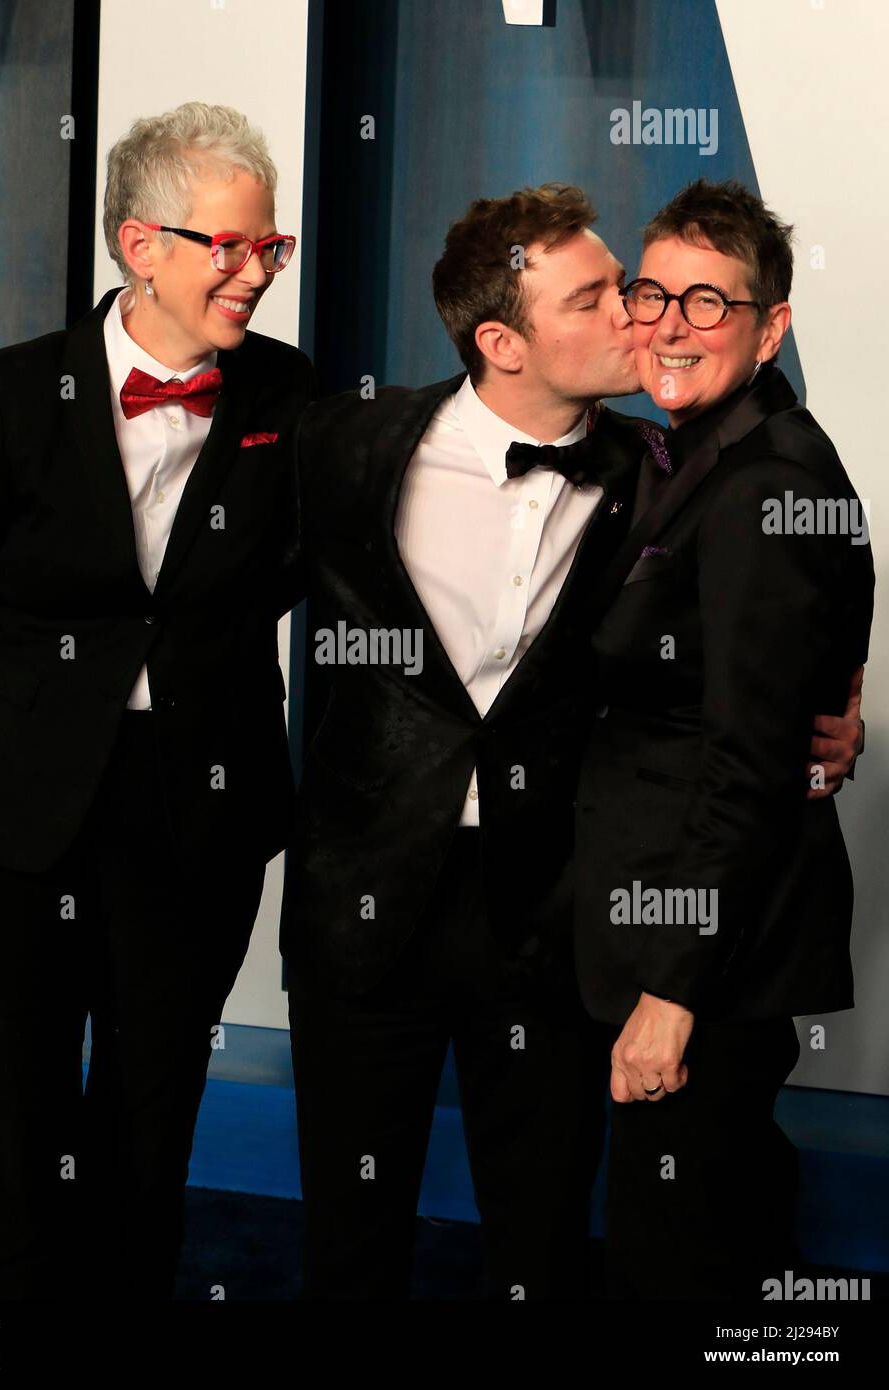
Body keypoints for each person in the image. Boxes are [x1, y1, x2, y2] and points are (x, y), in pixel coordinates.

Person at [279, 183, 863, 1299]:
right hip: (364, 902)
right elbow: (211, 588)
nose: (638, 320)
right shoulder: (344, 445)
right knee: (347, 1244)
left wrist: (832, 717)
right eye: (604, 297)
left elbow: (756, 648)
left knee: (542, 1240)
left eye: (634, 290)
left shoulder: (661, 467)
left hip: (553, 912)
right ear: (501, 340)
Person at [0, 100, 315, 1299]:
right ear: (137, 243)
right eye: (226, 245)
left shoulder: (291, 399)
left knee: (147, 1140)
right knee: (18, 1136)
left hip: (196, 819)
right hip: (9, 814)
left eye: (267, 246)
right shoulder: (11, 392)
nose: (253, 272)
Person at [572, 179, 875, 1299]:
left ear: (770, 327)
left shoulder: (764, 486)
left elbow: (748, 764)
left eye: (709, 302)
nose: (670, 323)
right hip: (686, 931)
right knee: (723, 1231)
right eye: (652, 294)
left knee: (678, 1258)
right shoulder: (701, 456)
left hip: (704, 958)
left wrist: (671, 991)